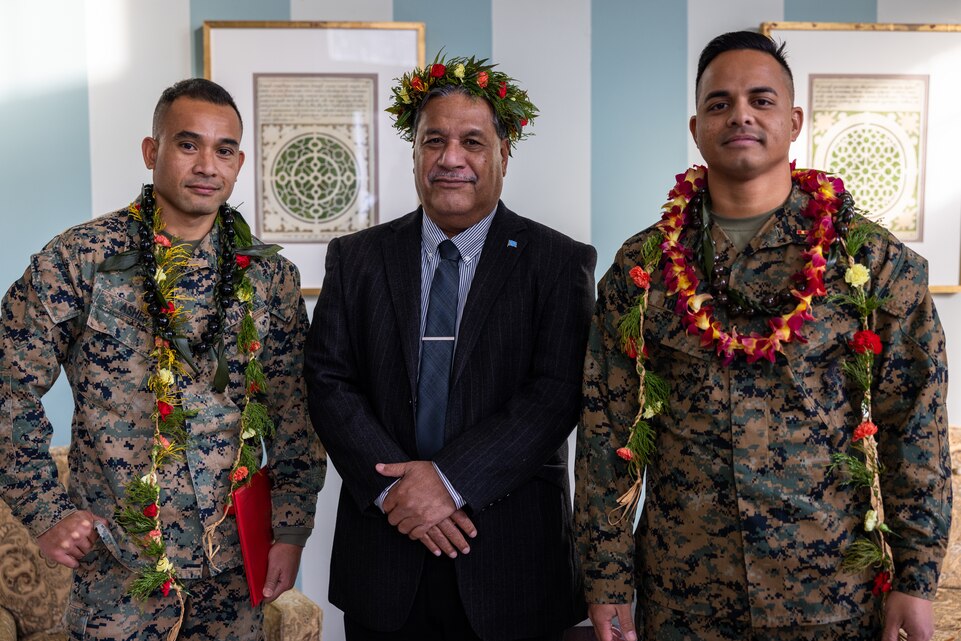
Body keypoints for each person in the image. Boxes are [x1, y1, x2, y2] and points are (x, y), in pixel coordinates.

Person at [575, 31, 951, 641]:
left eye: (761, 99)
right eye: (720, 103)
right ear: (697, 127)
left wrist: (916, 578)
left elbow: (915, 428)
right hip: (684, 599)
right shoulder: (642, 270)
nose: (741, 114)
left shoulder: (875, 264)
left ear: (795, 119)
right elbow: (604, 436)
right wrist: (607, 581)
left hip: (830, 596)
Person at [0, 78, 325, 640]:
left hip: (230, 571)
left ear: (239, 162)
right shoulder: (80, 260)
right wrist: (45, 511)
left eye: (224, 150)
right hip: (118, 572)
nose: (207, 164)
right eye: (187, 144)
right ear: (152, 151)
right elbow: (8, 385)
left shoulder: (268, 276)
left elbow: (296, 412)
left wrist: (291, 531)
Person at [305, 55, 595, 640]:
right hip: (384, 559)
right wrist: (396, 492)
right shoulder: (357, 258)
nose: (451, 158)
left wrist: (449, 481)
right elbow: (328, 380)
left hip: (512, 564)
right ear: (414, 155)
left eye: (472, 141)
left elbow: (556, 392)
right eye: (433, 141)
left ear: (503, 155)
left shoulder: (559, 262)